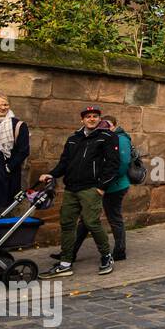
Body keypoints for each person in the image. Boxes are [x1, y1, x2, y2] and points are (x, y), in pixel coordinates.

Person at [39, 106, 120, 279]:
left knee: (91, 223)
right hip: (71, 188)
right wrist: (51, 174)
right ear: (82, 119)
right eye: (88, 116)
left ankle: (106, 256)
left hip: (91, 188)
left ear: (99, 119)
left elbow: (113, 165)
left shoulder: (107, 137)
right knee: (67, 223)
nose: (92, 119)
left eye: (95, 116)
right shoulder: (73, 138)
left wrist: (101, 187)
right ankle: (66, 263)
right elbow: (64, 163)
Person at [57, 115, 131, 263]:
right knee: (86, 220)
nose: (103, 126)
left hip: (114, 186)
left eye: (106, 124)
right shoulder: (97, 137)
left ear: (114, 126)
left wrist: (103, 185)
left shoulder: (120, 139)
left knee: (114, 218)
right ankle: (70, 252)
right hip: (95, 186)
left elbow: (121, 165)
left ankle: (119, 251)